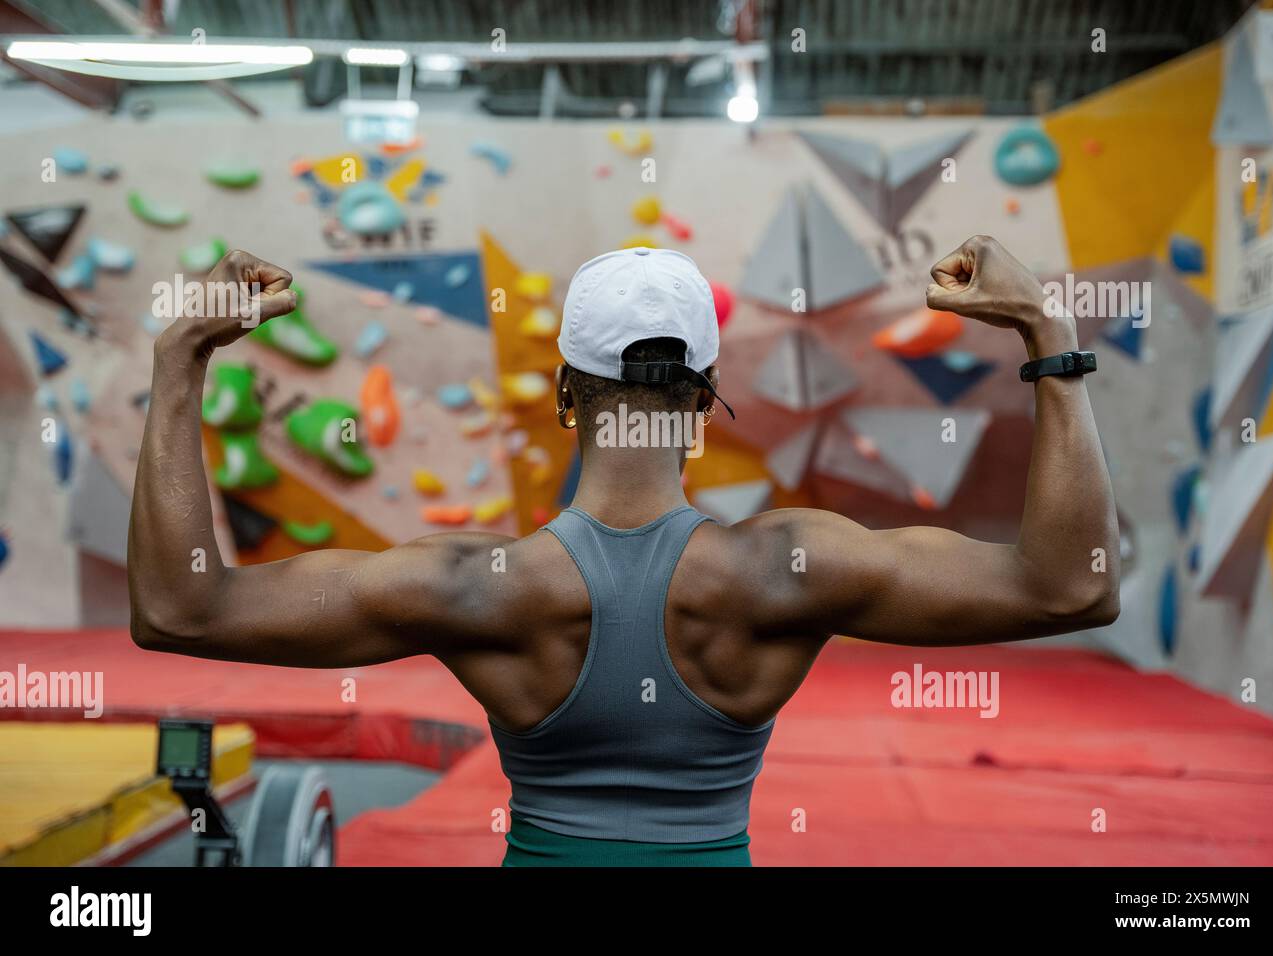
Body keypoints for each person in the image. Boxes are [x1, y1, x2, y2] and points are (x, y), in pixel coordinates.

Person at [128, 237, 1119, 866]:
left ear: (566, 396)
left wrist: (180, 361)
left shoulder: (474, 585)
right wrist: (1047, 333)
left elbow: (179, 606)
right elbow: (1071, 587)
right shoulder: (787, 566)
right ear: (702, 395)